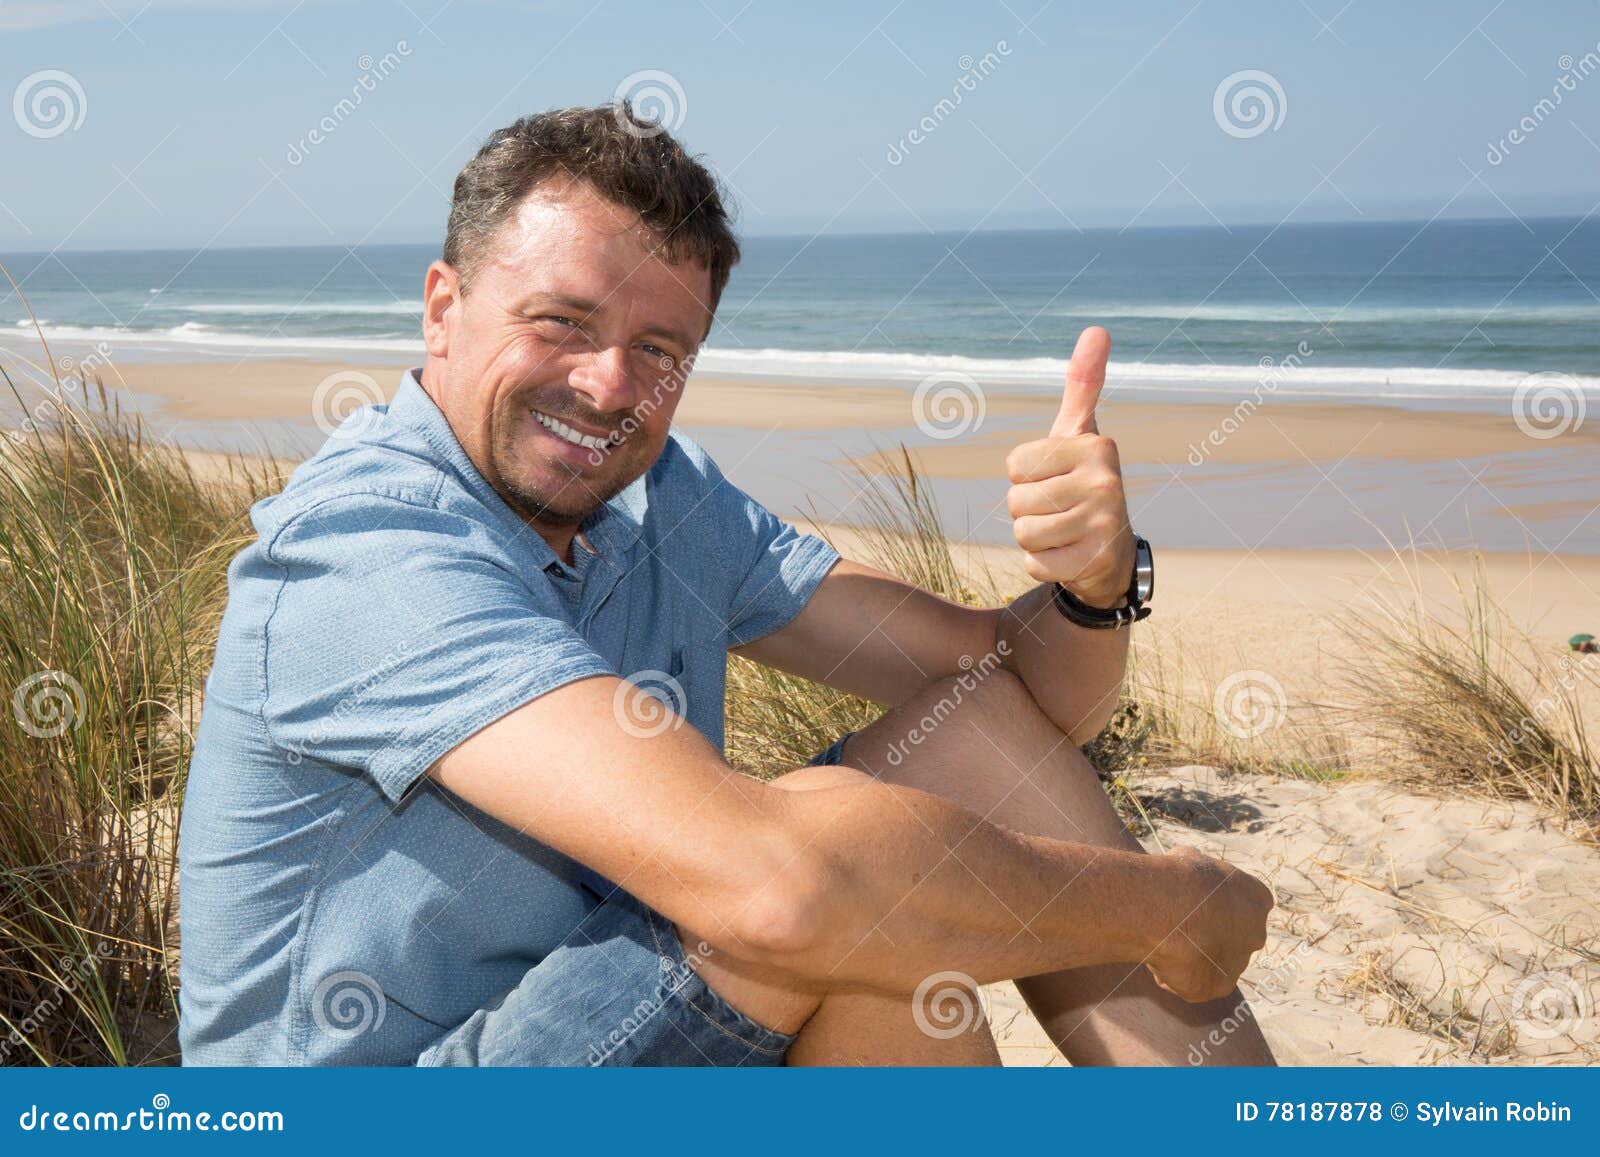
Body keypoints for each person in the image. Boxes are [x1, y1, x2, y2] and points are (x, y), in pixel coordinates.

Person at [178, 103, 1275, 1067]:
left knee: (933, 792)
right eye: (561, 321)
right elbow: (780, 892)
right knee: (829, 858)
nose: (610, 386)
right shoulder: (371, 544)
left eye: (661, 350)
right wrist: (1173, 907)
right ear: (442, 307)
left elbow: (1022, 703)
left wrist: (1089, 585)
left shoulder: (662, 498)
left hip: (622, 1035)